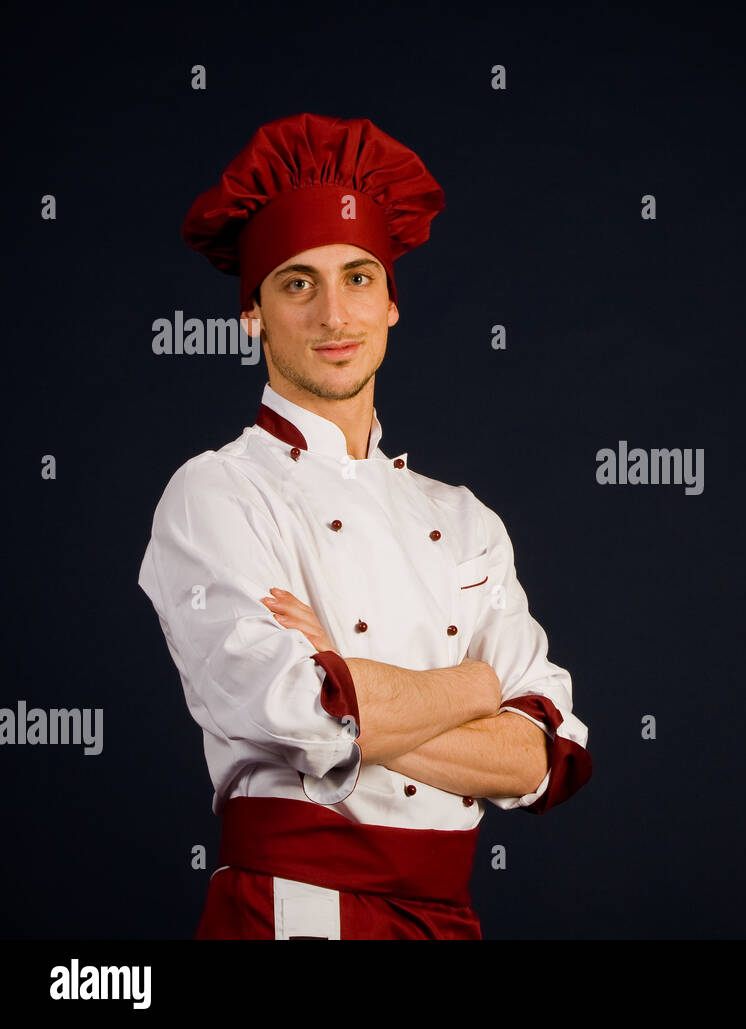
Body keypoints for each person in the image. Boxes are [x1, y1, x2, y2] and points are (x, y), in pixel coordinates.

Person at [137, 112, 591, 940]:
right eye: (298, 283)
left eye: (358, 277)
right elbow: (292, 707)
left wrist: (348, 682)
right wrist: (479, 688)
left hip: (449, 920)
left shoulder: (463, 519)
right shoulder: (215, 492)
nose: (333, 315)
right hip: (291, 908)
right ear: (253, 314)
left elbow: (540, 756)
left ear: (391, 304)